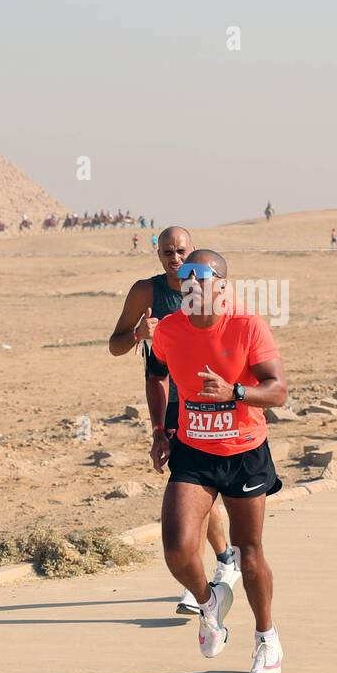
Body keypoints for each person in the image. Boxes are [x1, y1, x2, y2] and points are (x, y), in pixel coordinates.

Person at [146, 249, 287, 673]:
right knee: (176, 547)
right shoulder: (169, 330)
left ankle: (266, 637)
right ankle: (210, 602)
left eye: (201, 277)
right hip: (193, 450)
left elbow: (278, 391)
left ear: (222, 286)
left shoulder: (247, 326)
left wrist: (234, 393)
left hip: (244, 451)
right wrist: (158, 430)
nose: (191, 284)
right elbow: (156, 374)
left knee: (249, 553)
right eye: (185, 277)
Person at [108, 226, 239, 615]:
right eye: (167, 252)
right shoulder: (145, 292)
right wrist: (137, 334)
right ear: (158, 254)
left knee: (200, 484)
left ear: (193, 251)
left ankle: (217, 566)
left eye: (181, 251)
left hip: (212, 400)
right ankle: (219, 564)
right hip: (170, 399)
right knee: (189, 483)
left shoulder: (211, 287)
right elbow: (116, 346)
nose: (175, 258)